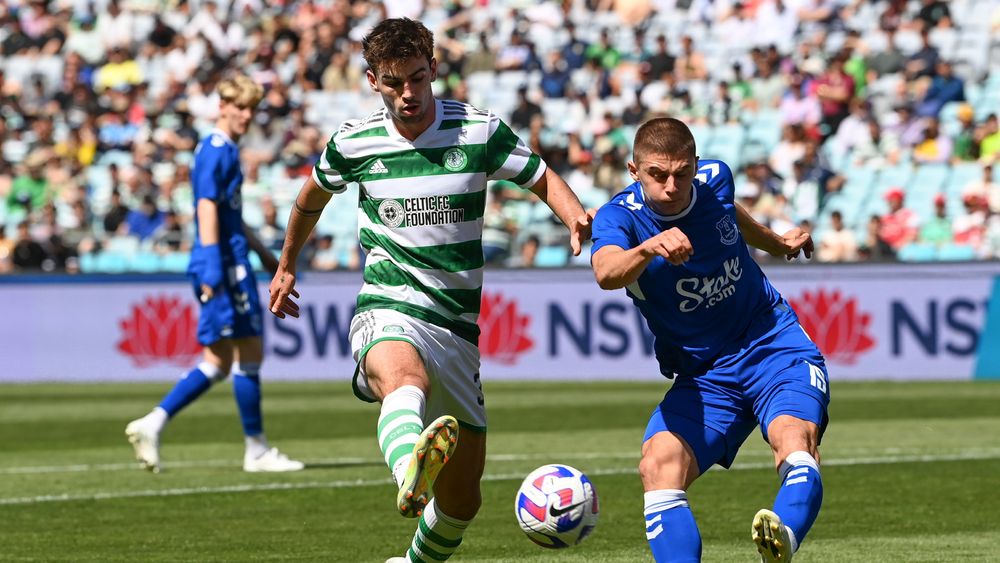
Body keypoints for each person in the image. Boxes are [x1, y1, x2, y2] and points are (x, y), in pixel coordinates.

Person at [266, 18, 591, 562]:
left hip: (458, 328)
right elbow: (310, 197)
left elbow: (540, 176)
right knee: (403, 376)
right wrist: (286, 265)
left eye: (417, 78)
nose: (408, 93)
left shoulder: (479, 130)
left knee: (463, 498)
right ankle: (408, 469)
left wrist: (575, 214)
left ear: (434, 69)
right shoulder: (354, 141)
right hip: (389, 303)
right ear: (373, 80)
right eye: (394, 82)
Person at [590, 118, 830, 562]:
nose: (671, 185)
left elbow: (729, 212)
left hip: (772, 345)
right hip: (705, 377)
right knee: (658, 465)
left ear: (696, 165)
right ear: (633, 170)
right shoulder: (619, 218)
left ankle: (783, 541)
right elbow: (605, 271)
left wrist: (776, 243)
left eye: (682, 173)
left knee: (793, 438)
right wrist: (649, 248)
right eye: (657, 175)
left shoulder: (716, 178)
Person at [125, 74, 303, 474]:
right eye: (239, 107)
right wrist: (210, 263)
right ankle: (256, 451)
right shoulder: (216, 150)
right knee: (249, 353)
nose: (245, 115)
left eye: (251, 109)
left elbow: (233, 218)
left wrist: (269, 258)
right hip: (223, 265)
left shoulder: (225, 151)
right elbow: (206, 208)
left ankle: (152, 423)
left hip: (229, 259)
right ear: (222, 106)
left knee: (219, 361)